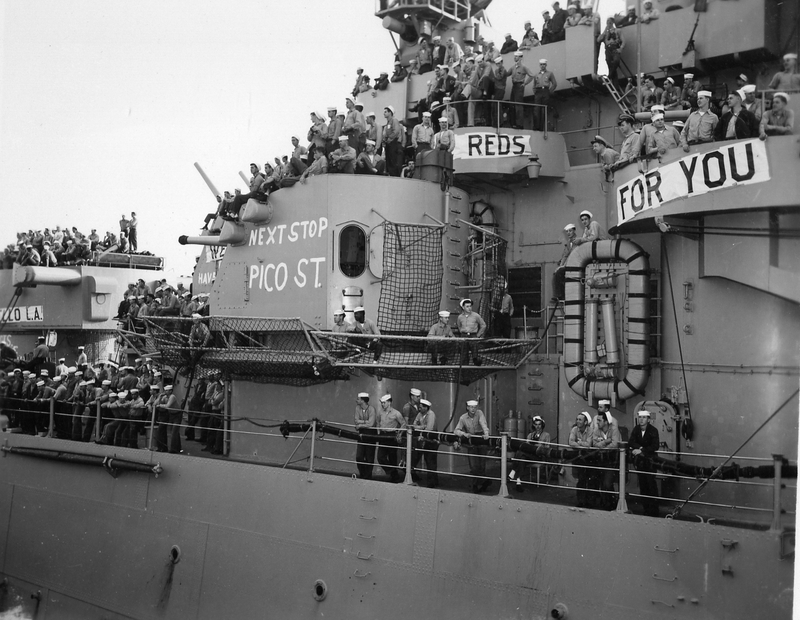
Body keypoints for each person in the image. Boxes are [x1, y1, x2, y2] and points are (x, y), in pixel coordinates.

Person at [628, 409, 660, 517]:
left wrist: (641, 450)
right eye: (640, 417)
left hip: (650, 462)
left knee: (651, 485)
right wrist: (640, 448)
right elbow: (631, 441)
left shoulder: (653, 430)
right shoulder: (636, 429)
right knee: (643, 485)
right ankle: (646, 509)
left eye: (644, 417)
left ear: (648, 419)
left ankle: (654, 510)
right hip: (640, 462)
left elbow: (655, 446)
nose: (641, 420)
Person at [454, 399, 491, 493]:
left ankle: (481, 483)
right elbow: (456, 430)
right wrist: (464, 434)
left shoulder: (479, 413)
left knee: (481, 465)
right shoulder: (463, 418)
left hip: (481, 440)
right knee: (473, 466)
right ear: (467, 408)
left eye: (474, 407)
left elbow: (483, 423)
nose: (473, 409)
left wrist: (486, 433)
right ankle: (477, 484)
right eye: (471, 407)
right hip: (471, 442)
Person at [509, 415, 551, 491]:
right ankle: (518, 482)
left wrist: (538, 446)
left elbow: (547, 448)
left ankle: (513, 471)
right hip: (529, 455)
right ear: (533, 425)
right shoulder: (530, 435)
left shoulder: (546, 435)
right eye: (536, 424)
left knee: (521, 454)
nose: (538, 427)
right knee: (522, 457)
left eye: (539, 424)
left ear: (542, 425)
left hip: (539, 456)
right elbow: (525, 447)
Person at [590, 410, 620, 510]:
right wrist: (606, 441)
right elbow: (595, 444)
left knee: (607, 482)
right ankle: (606, 503)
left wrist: (603, 447)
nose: (597, 422)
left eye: (599, 420)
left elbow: (615, 444)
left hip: (612, 460)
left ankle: (610, 503)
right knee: (602, 482)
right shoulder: (596, 430)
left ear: (606, 422)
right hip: (600, 460)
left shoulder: (614, 430)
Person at [376, 394, 406, 482]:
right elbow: (378, 422)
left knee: (392, 457)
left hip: (392, 435)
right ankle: (392, 471)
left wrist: (399, 433)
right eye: (382, 403)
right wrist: (378, 432)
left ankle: (394, 477)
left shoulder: (396, 413)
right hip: (383, 435)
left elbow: (403, 424)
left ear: (389, 402)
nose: (382, 404)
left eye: (384, 402)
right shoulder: (380, 412)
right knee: (380, 457)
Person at [411, 398, 439, 488]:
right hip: (423, 439)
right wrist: (422, 427)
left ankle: (432, 483)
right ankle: (433, 481)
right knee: (428, 460)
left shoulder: (431, 415)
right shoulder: (420, 414)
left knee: (431, 461)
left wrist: (420, 428)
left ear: (426, 408)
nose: (419, 409)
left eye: (421, 407)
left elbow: (429, 429)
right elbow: (414, 425)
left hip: (432, 440)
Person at [569, 411, 594, 508]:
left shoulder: (590, 431)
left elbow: (589, 444)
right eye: (577, 419)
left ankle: (590, 501)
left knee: (590, 480)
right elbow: (571, 442)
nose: (578, 421)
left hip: (590, 458)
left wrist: (579, 443)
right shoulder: (574, 429)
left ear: (586, 422)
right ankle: (581, 501)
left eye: (580, 419)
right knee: (581, 480)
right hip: (579, 458)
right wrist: (583, 444)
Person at [354, 392, 377, 479]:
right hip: (362, 433)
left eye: (358, 399)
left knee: (369, 457)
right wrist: (365, 422)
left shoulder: (371, 409)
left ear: (363, 400)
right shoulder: (357, 408)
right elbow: (356, 420)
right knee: (359, 456)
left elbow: (371, 423)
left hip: (371, 434)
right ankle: (362, 473)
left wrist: (360, 424)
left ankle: (368, 476)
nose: (356, 400)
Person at [456, 298, 485, 365]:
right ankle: (464, 367)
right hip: (464, 336)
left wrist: (478, 335)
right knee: (463, 353)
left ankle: (476, 366)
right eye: (467, 306)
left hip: (473, 336)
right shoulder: (460, 317)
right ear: (463, 307)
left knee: (475, 354)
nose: (469, 308)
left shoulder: (476, 316)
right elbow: (459, 325)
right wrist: (462, 332)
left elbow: (483, 325)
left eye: (470, 306)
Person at [530, 58, 555, 131]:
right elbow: (534, 85)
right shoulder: (536, 75)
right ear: (539, 65)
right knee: (536, 110)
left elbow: (554, 84)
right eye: (541, 64)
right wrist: (535, 92)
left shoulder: (550, 73)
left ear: (546, 65)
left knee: (543, 110)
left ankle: (541, 128)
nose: (542, 66)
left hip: (545, 91)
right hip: (538, 92)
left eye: (544, 64)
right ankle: (536, 127)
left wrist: (549, 92)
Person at [599, 18, 624, 82]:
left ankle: (609, 76)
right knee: (610, 66)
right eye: (607, 22)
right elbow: (598, 40)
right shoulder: (605, 33)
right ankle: (615, 85)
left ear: (613, 22)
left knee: (616, 61)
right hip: (608, 50)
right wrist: (605, 31)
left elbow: (624, 41)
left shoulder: (618, 31)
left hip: (615, 48)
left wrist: (620, 48)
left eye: (610, 22)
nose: (608, 23)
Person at [381, 106, 404, 177]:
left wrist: (390, 138)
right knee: (389, 160)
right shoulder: (388, 122)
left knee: (393, 160)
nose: (384, 113)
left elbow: (396, 131)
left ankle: (394, 175)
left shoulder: (394, 120)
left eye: (385, 112)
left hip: (393, 143)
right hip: (389, 143)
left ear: (390, 112)